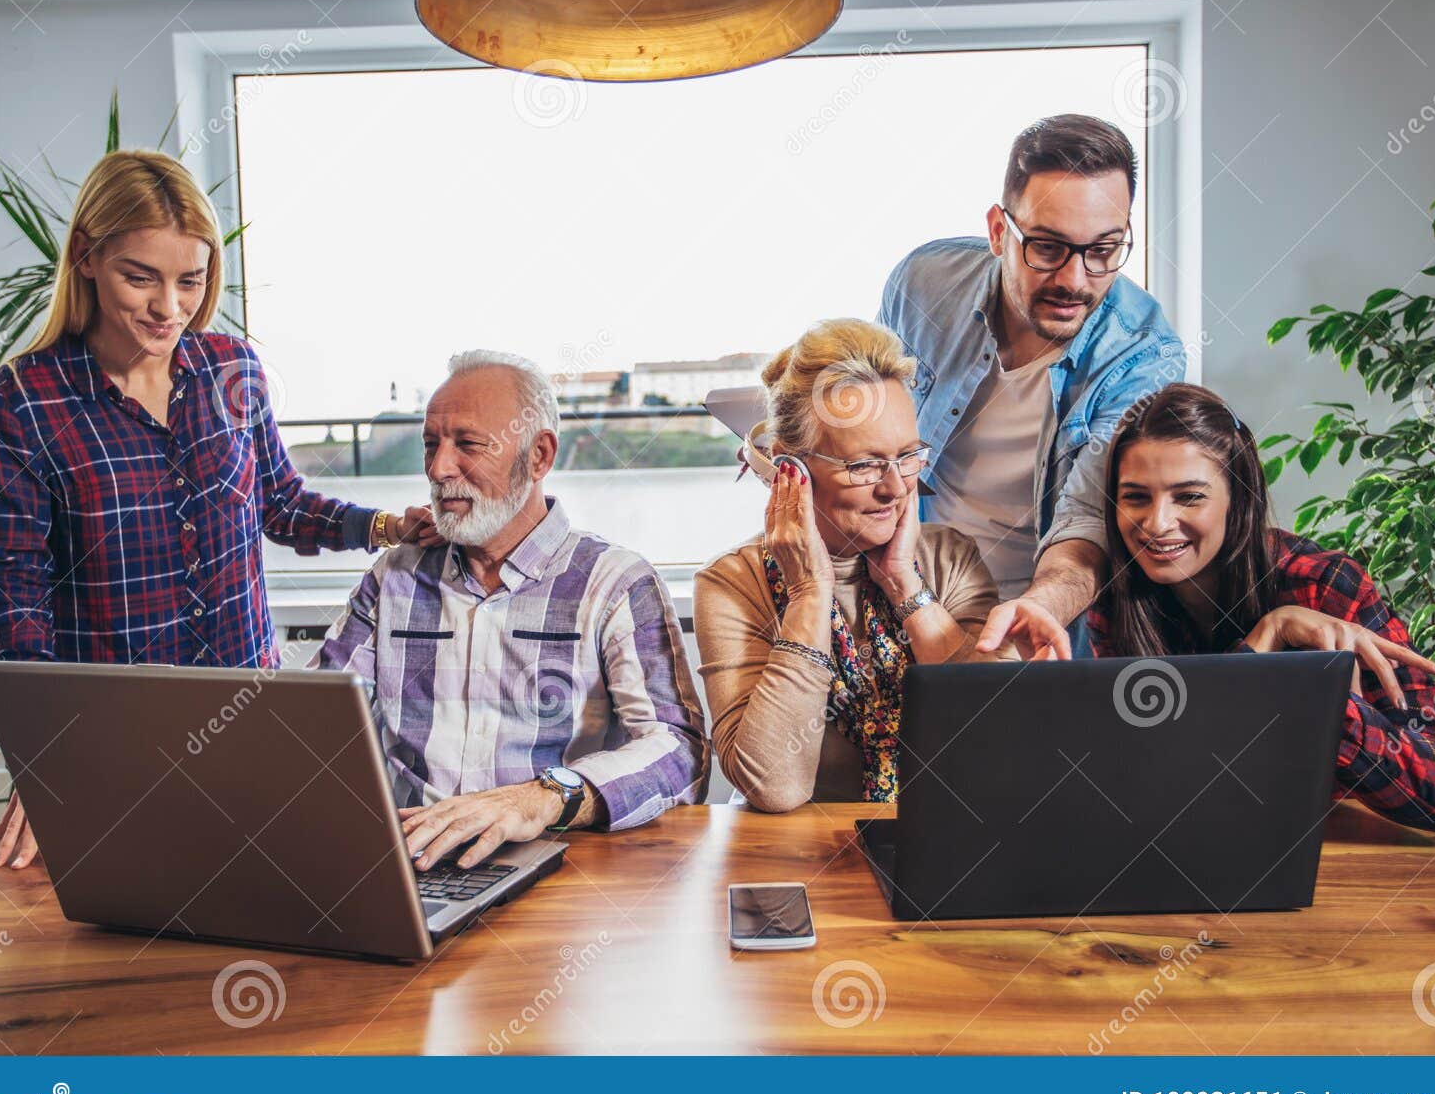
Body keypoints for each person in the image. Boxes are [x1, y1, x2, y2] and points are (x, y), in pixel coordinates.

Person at [0, 150, 434, 870]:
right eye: (140, 278)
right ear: (86, 258)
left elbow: (279, 502)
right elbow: (14, 589)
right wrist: (44, 756)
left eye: (189, 280)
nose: (169, 308)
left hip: (251, 724)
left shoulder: (231, 368)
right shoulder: (21, 400)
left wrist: (384, 527)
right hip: (113, 746)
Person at [313, 350, 708, 869]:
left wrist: (541, 798)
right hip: (412, 865)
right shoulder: (396, 576)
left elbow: (680, 753)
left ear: (538, 456)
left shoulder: (615, 581)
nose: (439, 469)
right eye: (431, 445)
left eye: (468, 445)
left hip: (561, 868)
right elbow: (313, 725)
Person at [1088, 383, 1435, 836]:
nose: (1156, 523)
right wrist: (1263, 646)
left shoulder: (1326, 584)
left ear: (1238, 497)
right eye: (1136, 497)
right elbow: (1164, 785)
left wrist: (1323, 697)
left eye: (1189, 496)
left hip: (1332, 843)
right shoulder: (1116, 600)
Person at [878, 113, 1184, 660]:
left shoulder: (1142, 355)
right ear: (999, 231)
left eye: (1103, 250)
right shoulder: (924, 284)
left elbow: (1089, 517)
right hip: (907, 598)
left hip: (1039, 630)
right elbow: (872, 409)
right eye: (1047, 247)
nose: (1074, 280)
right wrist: (802, 444)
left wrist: (1038, 608)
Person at [694, 319, 1013, 812]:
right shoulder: (733, 583)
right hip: (800, 847)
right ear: (790, 469)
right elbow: (775, 787)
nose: (895, 488)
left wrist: (907, 587)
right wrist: (809, 593)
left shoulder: (948, 558)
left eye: (908, 456)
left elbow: (998, 741)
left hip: (947, 837)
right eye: (864, 465)